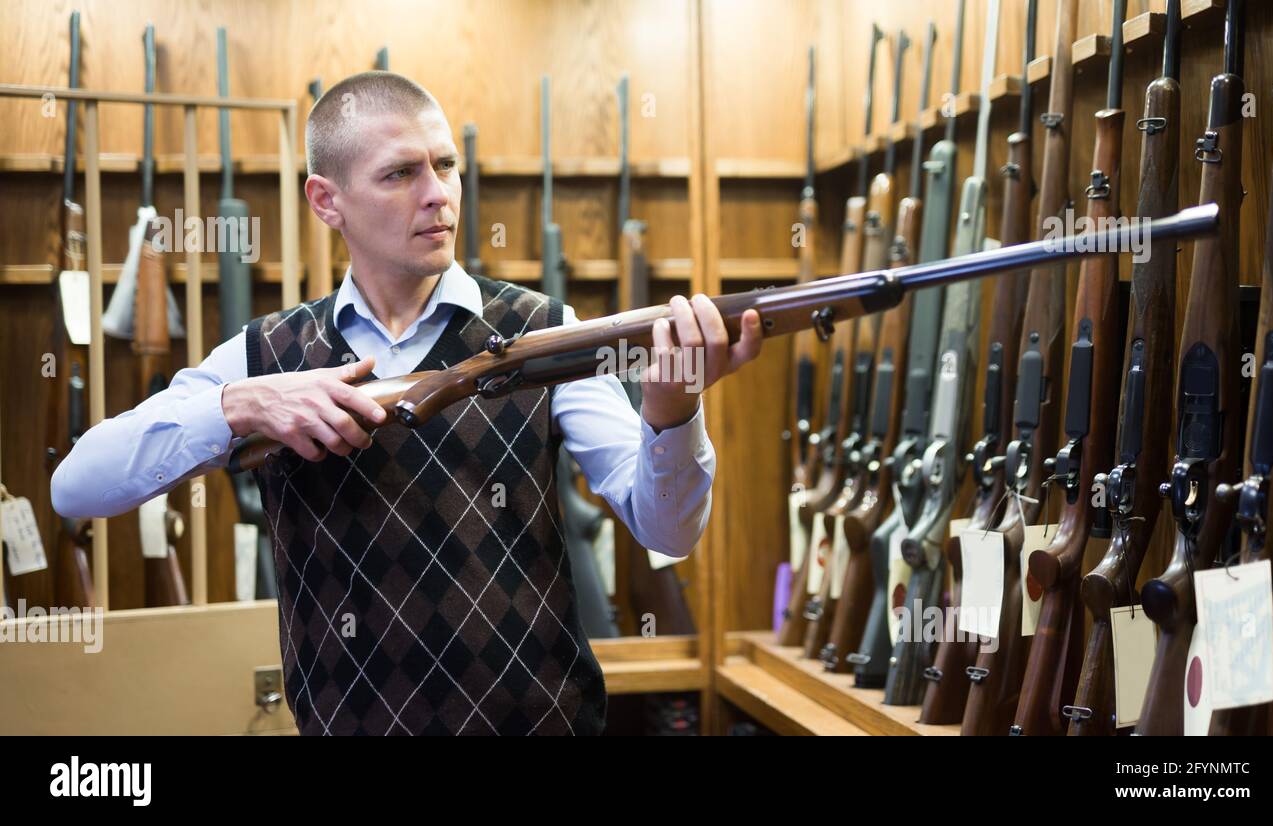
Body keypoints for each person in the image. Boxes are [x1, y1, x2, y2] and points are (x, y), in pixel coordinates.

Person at [51, 71, 763, 735]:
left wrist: (673, 409)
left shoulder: (544, 334)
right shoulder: (263, 357)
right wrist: (239, 408)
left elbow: (669, 533)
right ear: (326, 201)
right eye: (401, 173)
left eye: (446, 165)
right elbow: (76, 487)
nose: (440, 194)